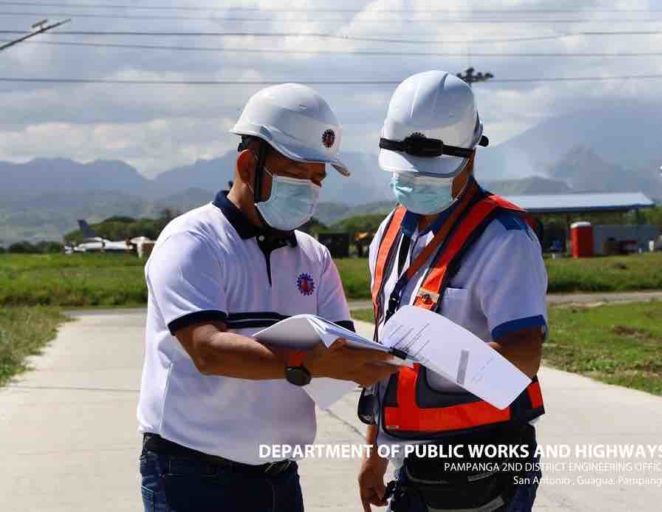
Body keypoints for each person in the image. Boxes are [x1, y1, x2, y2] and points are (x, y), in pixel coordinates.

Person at [137, 83, 396, 512]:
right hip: (193, 478)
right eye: (298, 174)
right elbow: (208, 350)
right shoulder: (193, 241)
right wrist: (309, 362)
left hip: (280, 477)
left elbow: (341, 353)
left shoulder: (313, 256)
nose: (311, 189)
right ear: (247, 164)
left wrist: (388, 362)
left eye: (318, 178)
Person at [357, 71, 548, 512]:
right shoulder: (389, 234)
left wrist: (437, 352)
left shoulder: (504, 238)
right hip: (413, 458)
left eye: (431, 172)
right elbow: (384, 354)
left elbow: (523, 355)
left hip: (486, 461)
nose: (417, 181)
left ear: (471, 156)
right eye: (408, 170)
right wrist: (374, 451)